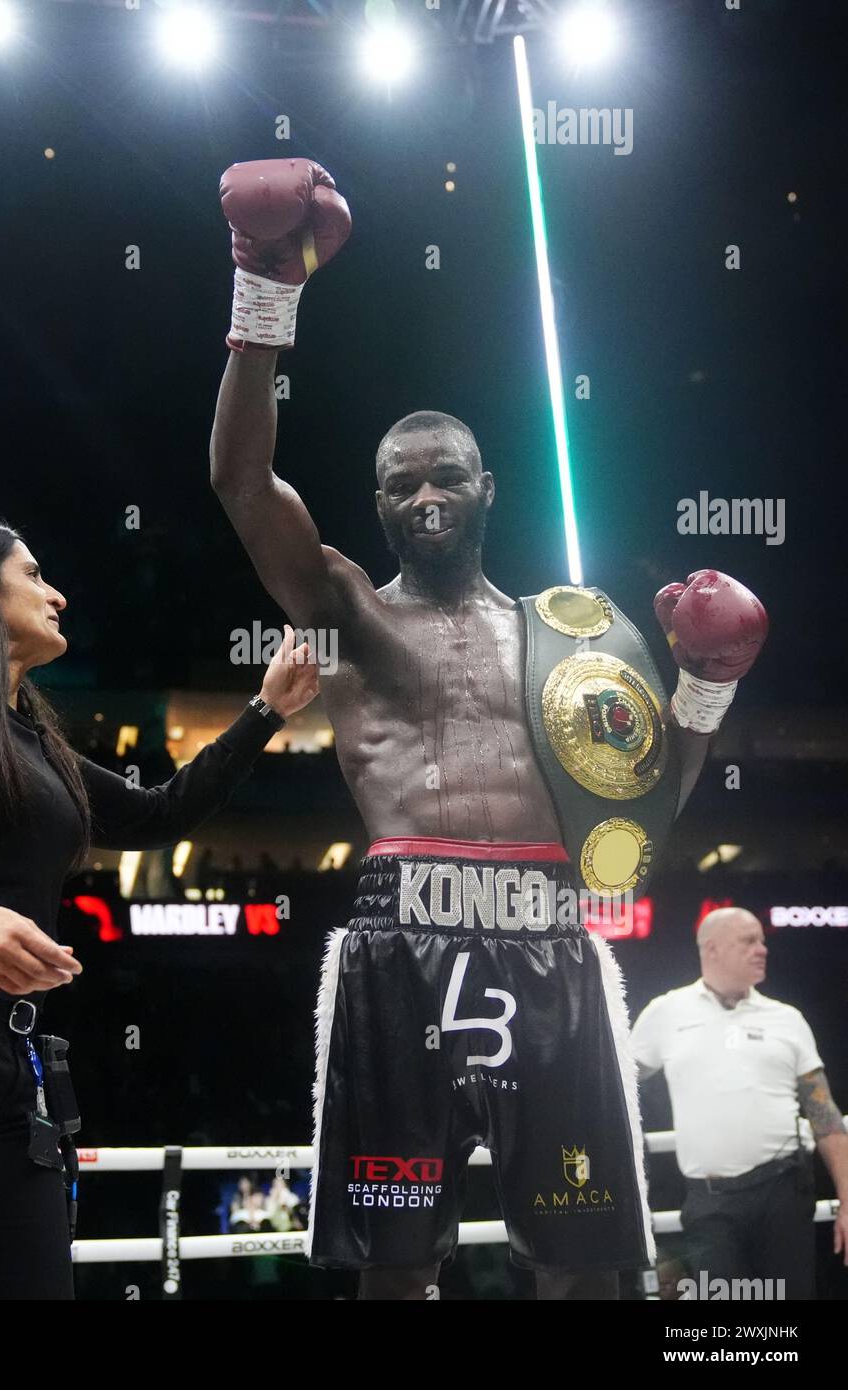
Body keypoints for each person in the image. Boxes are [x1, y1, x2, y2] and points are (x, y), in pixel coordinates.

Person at [209, 157, 768, 1299]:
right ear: (377, 503)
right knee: (394, 1268)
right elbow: (240, 481)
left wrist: (703, 686)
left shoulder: (569, 641)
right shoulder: (347, 612)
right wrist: (264, 290)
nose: (424, 497)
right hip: (398, 946)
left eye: (445, 478)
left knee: (583, 1266)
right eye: (400, 484)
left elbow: (641, 811)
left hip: (549, 941)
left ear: (486, 487)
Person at [0, 519, 317, 1299]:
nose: (58, 594)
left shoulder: (28, 734)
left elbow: (156, 815)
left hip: (11, 1052)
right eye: (34, 574)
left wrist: (265, 711)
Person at [631, 907, 848, 1299]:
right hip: (709, 1200)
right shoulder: (667, 1012)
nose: (762, 949)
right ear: (712, 949)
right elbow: (619, 1084)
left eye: (761, 941)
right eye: (749, 941)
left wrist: (847, 1199)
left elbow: (825, 1116)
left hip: (783, 1191)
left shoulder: (787, 1019)